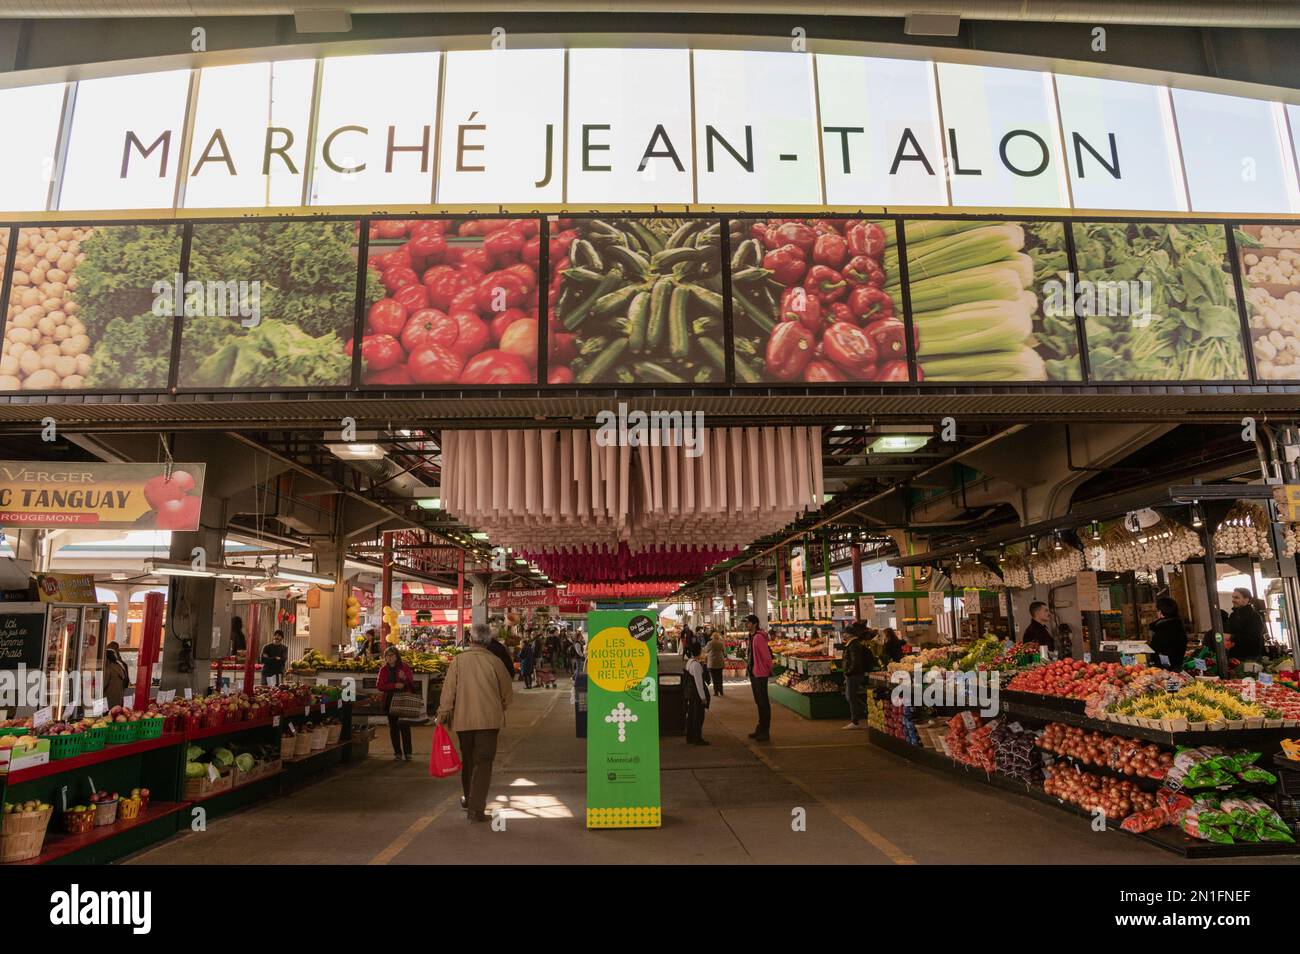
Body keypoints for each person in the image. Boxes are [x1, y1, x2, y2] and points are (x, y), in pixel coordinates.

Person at [437, 623, 514, 823]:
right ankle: (476, 808)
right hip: (489, 722)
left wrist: (443, 714)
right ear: (488, 642)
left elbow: (448, 691)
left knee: (469, 760)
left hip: (463, 721)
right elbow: (507, 694)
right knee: (484, 762)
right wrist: (500, 706)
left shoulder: (458, 661)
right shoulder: (495, 662)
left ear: (471, 639)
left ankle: (469, 800)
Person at [376, 647, 416, 762]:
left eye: (392, 655)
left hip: (403, 699)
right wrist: (393, 685)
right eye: (387, 656)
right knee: (394, 727)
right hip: (390, 701)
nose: (390, 658)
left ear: (397, 656)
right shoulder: (383, 669)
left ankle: (408, 753)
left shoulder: (404, 667)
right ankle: (397, 753)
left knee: (405, 726)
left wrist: (404, 679)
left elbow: (411, 684)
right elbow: (379, 686)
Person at [745, 614, 772, 742]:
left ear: (754, 624)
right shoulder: (751, 637)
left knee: (763, 703)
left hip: (760, 674)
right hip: (754, 674)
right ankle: (760, 728)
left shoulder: (758, 638)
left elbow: (766, 656)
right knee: (759, 702)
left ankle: (765, 731)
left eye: (748, 622)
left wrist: (768, 669)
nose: (746, 625)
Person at [841, 624, 869, 729]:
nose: (843, 635)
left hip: (854, 675)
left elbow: (855, 662)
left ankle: (855, 721)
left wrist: (848, 672)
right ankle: (862, 713)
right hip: (853, 674)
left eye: (844, 633)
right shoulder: (852, 644)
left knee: (851, 697)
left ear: (849, 634)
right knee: (850, 696)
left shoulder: (854, 645)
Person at [1148, 597, 1188, 672]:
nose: (1157, 613)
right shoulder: (1179, 626)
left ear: (1161, 612)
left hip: (1163, 670)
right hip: (1177, 667)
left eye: (1157, 610)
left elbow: (1154, 650)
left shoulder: (1162, 628)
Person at [1225, 588, 1266, 662]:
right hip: (1233, 657)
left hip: (1249, 658)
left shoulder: (1254, 617)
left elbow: (1253, 639)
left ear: (1246, 600)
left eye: (1236, 598)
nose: (1233, 600)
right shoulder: (1233, 615)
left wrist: (1231, 637)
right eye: (1233, 597)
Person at [684, 643, 710, 745]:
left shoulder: (689, 662)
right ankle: (697, 738)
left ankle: (690, 737)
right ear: (699, 651)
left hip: (690, 693)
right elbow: (699, 683)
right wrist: (703, 697)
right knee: (698, 717)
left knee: (691, 715)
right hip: (696, 695)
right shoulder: (697, 665)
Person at [104, 641, 130, 709]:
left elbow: (101, 687)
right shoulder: (120, 666)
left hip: (107, 703)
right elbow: (126, 683)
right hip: (118, 701)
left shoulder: (108, 668)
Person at [705, 629, 727, 696]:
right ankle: (721, 691)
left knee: (714, 678)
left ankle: (716, 692)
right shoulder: (721, 643)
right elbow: (724, 652)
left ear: (712, 637)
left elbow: (706, 650)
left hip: (712, 662)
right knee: (720, 677)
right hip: (720, 662)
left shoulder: (710, 643)